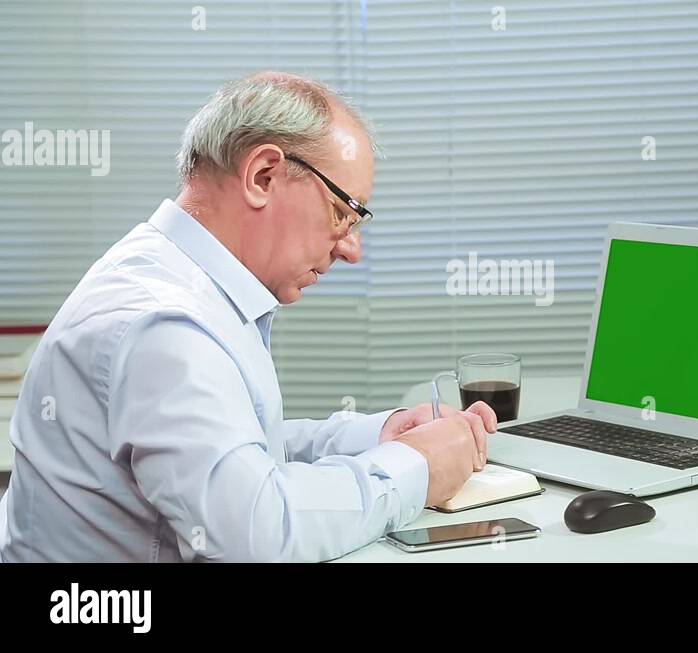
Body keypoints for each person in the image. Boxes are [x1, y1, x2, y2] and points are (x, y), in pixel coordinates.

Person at [0, 72, 496, 562]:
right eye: (345, 211)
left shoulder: (177, 279)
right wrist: (418, 466)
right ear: (262, 176)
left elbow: (233, 452)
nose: (351, 248)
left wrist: (377, 436)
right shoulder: (164, 323)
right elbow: (253, 534)